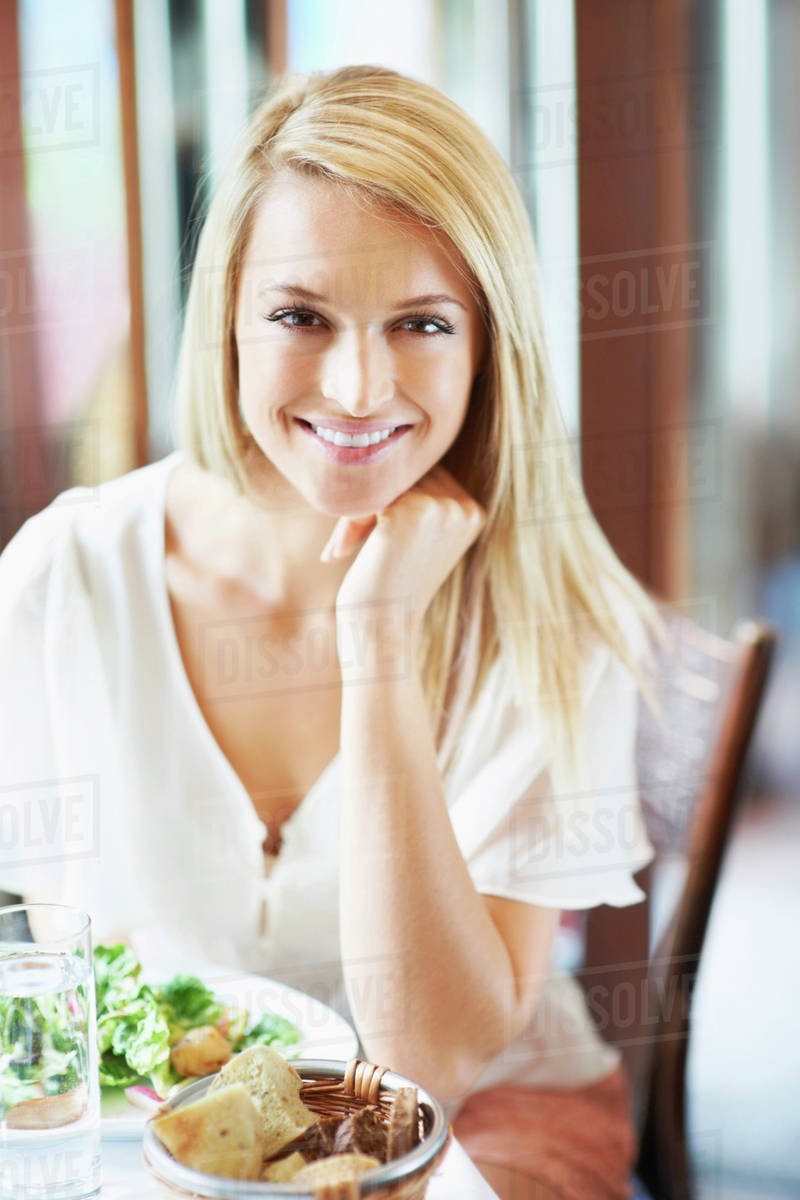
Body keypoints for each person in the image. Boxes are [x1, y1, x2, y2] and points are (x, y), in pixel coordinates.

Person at [0, 65, 664, 1198]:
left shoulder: (548, 622)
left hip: (488, 1120)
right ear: (228, 324)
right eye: (301, 315)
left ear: (486, 344)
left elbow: (430, 1056)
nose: (358, 388)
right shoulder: (68, 575)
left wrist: (380, 643)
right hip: (173, 1132)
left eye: (420, 322)